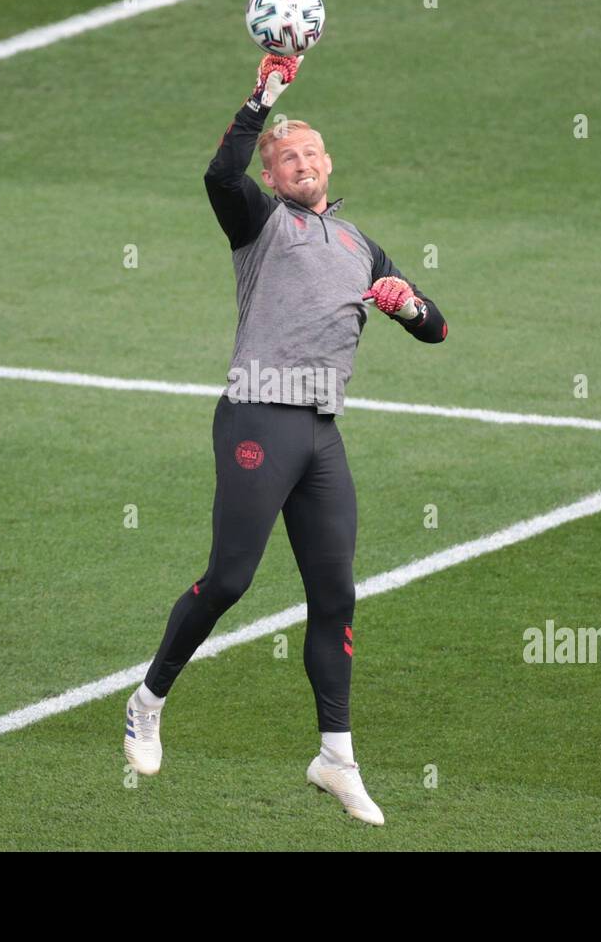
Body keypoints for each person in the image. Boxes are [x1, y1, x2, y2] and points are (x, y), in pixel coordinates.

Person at [124, 53, 448, 825]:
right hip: (257, 416)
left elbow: (436, 328)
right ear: (272, 178)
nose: (299, 164)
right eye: (285, 157)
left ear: (328, 165)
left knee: (335, 595)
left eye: (309, 153)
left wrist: (408, 305)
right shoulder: (262, 224)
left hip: (319, 435)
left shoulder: (360, 245)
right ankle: (147, 700)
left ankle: (335, 756)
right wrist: (261, 101)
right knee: (231, 577)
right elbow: (217, 175)